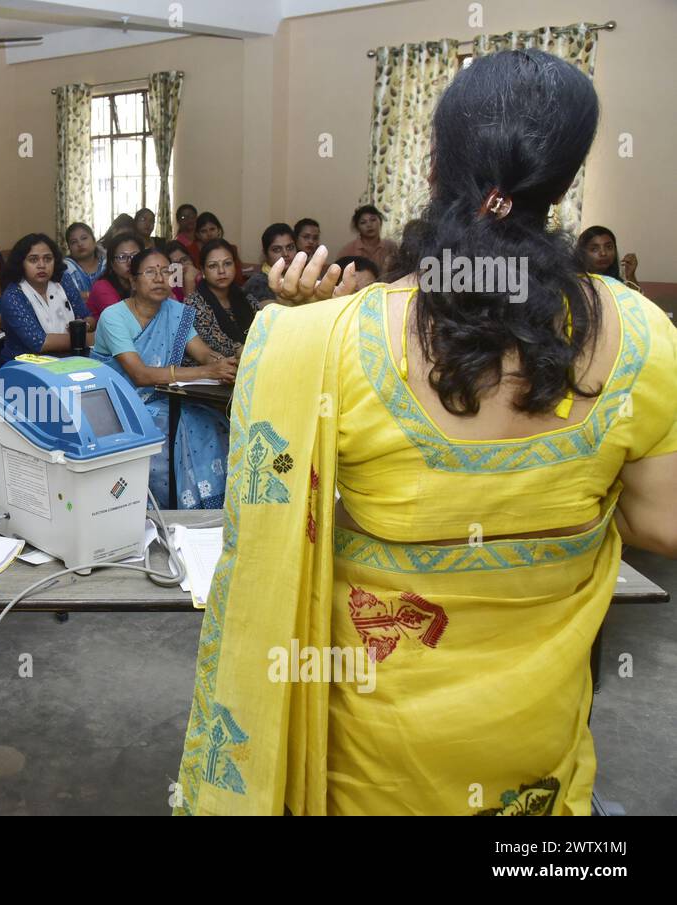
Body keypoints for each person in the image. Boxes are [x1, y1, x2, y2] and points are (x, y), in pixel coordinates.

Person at [176, 50, 677, 816]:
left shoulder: (323, 338)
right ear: (565, 176)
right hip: (531, 748)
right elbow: (658, 522)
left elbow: (282, 525)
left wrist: (305, 325)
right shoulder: (640, 331)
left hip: (373, 753)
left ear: (436, 160)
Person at [92, 248, 237, 509]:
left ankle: (211, 506)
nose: (160, 278)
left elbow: (202, 352)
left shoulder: (175, 312)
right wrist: (207, 372)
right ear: (133, 281)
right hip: (119, 406)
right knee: (178, 424)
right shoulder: (113, 317)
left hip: (163, 399)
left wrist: (222, 364)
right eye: (150, 272)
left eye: (165, 271)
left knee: (214, 421)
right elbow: (140, 374)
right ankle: (169, 508)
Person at [0, 233, 93, 360]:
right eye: (33, 260)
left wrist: (83, 326)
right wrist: (89, 339)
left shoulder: (63, 281)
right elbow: (40, 343)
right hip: (26, 365)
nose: (42, 265)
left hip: (70, 358)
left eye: (48, 259)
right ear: (21, 263)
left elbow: (87, 316)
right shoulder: (13, 295)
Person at [183, 238, 256, 358]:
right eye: (213, 266)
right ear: (202, 270)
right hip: (210, 371)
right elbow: (225, 346)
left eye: (227, 264)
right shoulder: (194, 304)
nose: (221, 271)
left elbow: (264, 329)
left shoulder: (245, 297)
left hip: (249, 361)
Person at [86, 232, 143, 320]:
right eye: (122, 257)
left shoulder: (146, 282)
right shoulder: (102, 287)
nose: (130, 262)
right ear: (112, 264)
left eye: (135, 256)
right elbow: (124, 321)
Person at [241, 223, 298, 309]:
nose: (285, 254)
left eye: (290, 247)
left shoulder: (302, 275)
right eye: (277, 249)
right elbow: (275, 317)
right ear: (265, 254)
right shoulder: (259, 282)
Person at [337, 204, 398, 274]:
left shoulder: (391, 246)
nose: (369, 225)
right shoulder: (348, 250)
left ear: (380, 222)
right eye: (363, 222)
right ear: (358, 227)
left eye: (373, 220)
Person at [61, 222, 105, 301]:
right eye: (74, 242)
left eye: (84, 238)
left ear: (94, 241)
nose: (80, 244)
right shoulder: (64, 269)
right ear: (69, 248)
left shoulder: (107, 264)